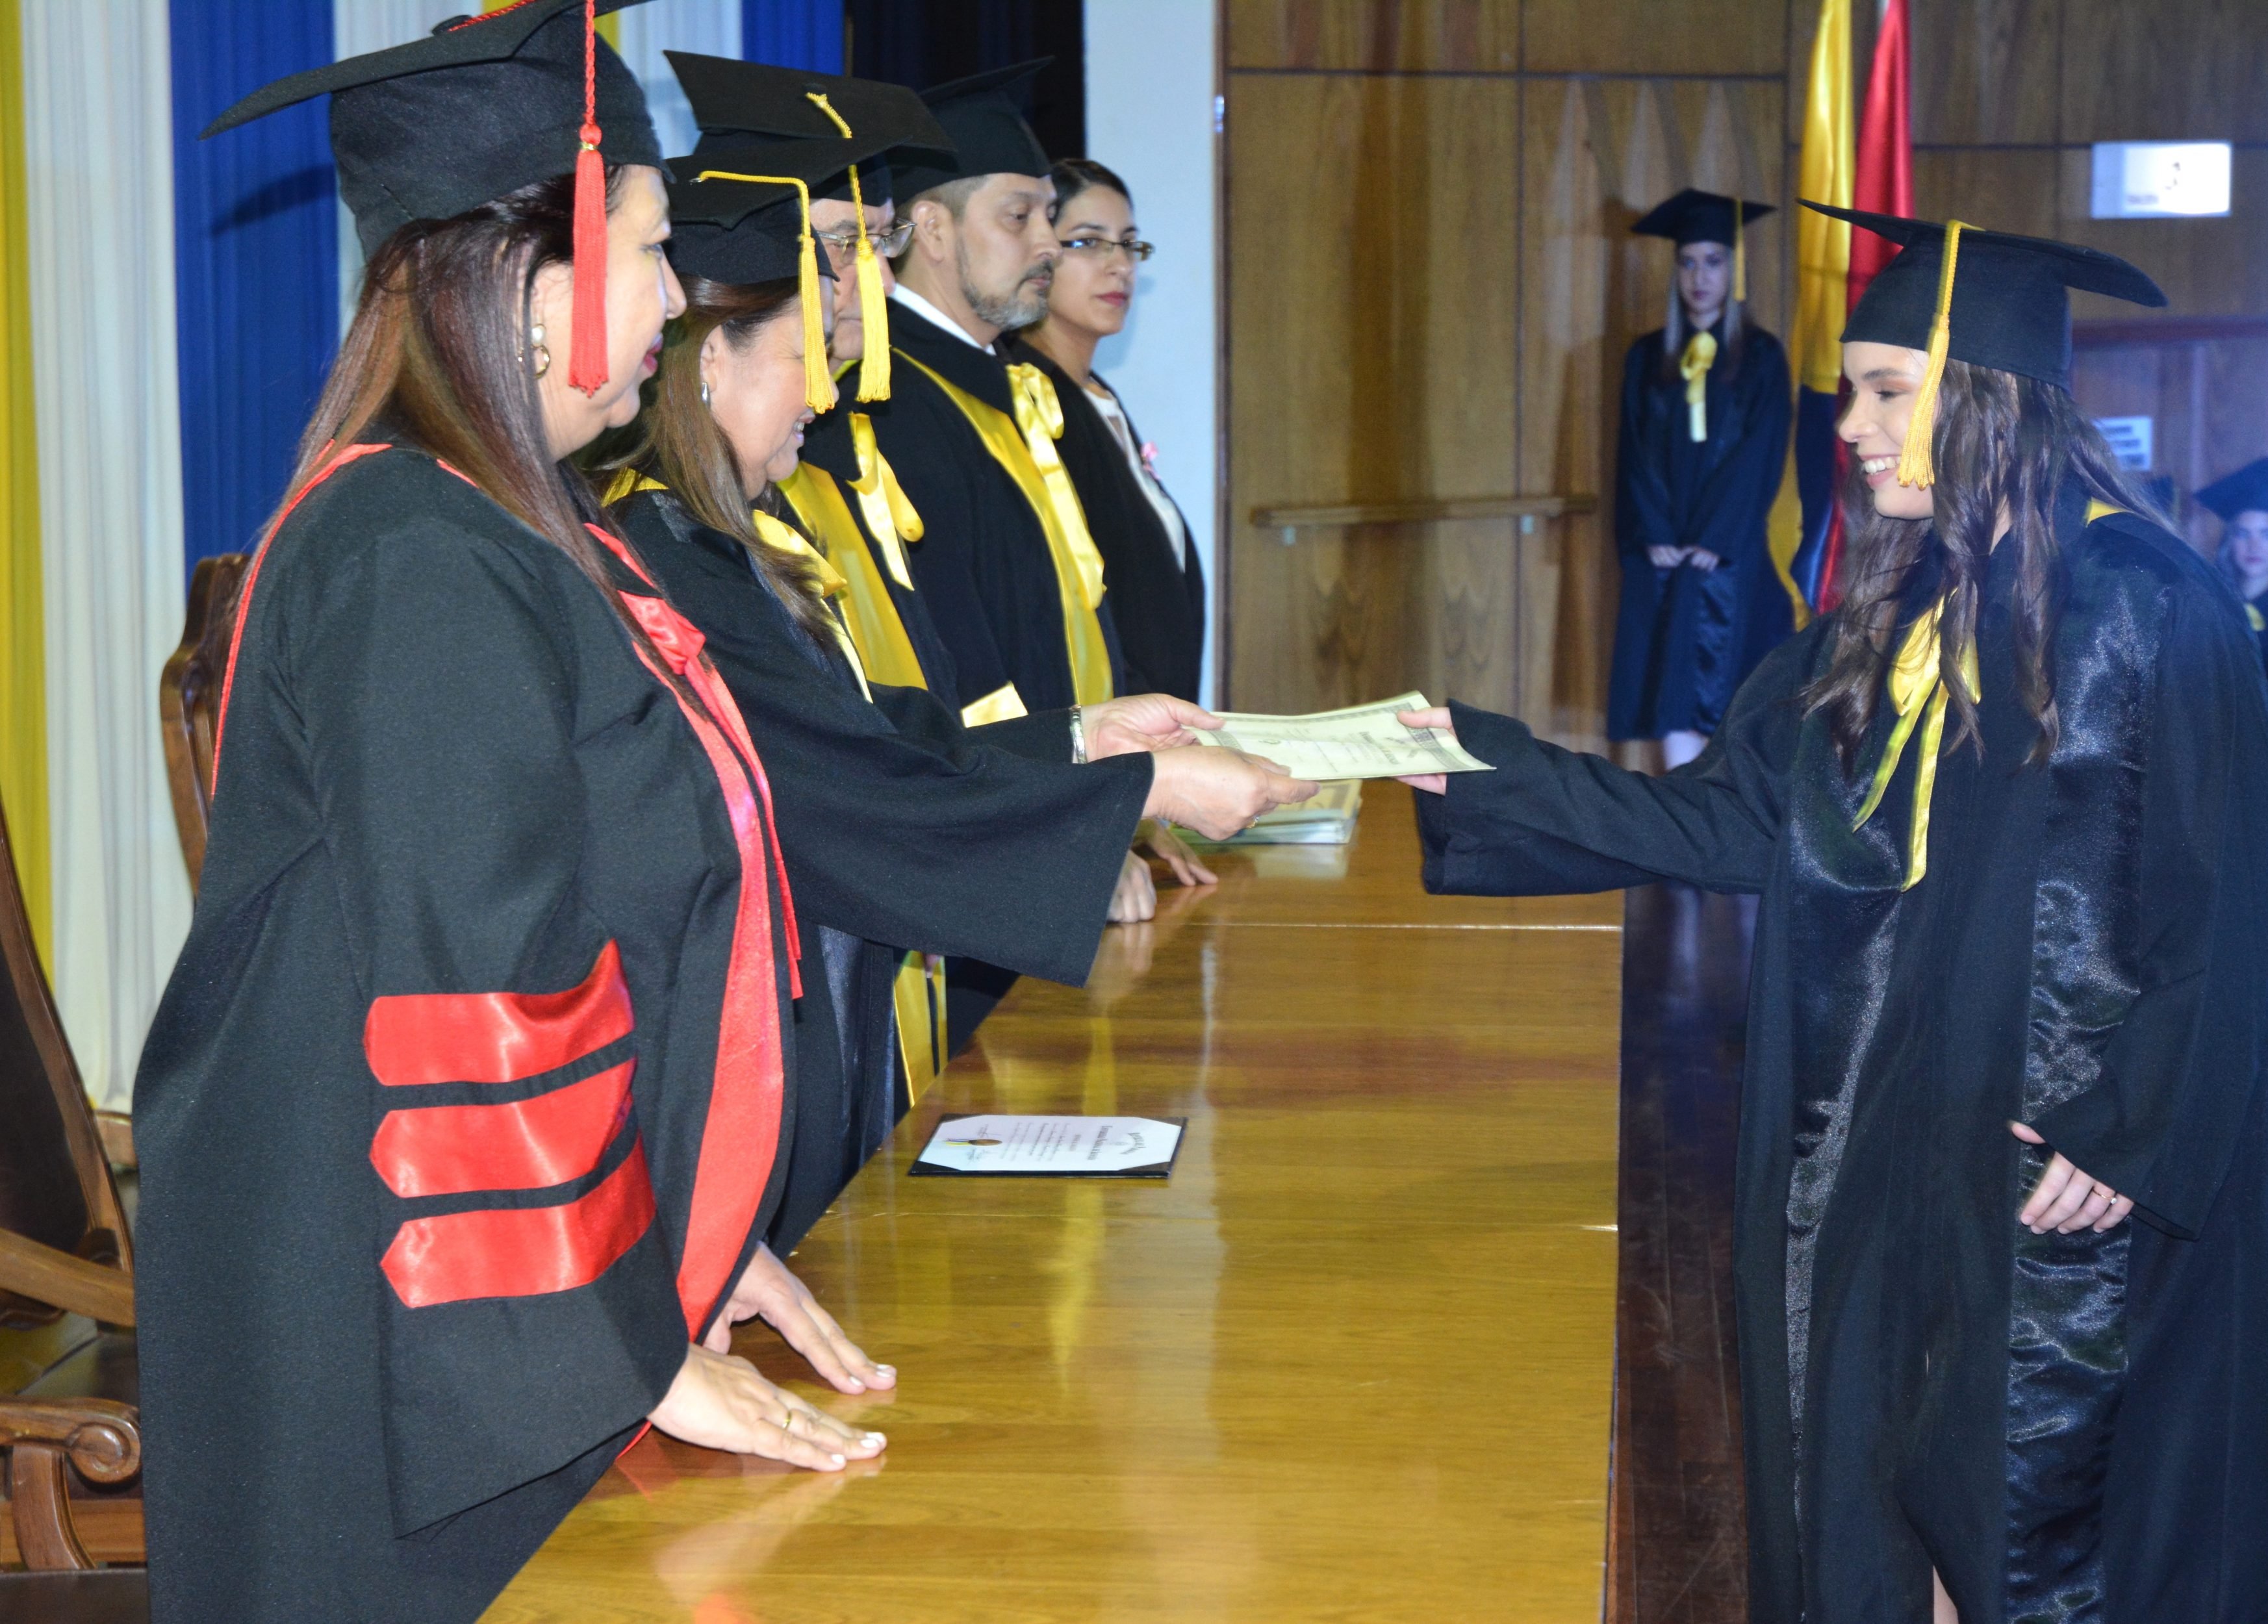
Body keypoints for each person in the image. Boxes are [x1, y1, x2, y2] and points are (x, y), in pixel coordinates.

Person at [1405, 209, 2268, 1623]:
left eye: (1884, 390)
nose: (1850, 425)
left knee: (2043, 1532)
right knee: (1876, 1484)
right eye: (1848, 390)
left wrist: (2131, 1128)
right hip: (1888, 1141)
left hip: (2061, 1178)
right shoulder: (1908, 603)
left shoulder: (2147, 605)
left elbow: (2229, 895)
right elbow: (1735, 819)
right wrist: (1467, 758)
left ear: (1981, 388)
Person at [138, 8, 887, 1618]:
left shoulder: (501, 532)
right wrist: (622, 1341)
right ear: (522, 277)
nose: (683, 296)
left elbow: (582, 924)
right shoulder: (414, 559)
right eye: (652, 243)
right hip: (384, 1338)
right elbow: (480, 1002)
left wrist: (676, 1226)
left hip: (461, 1298)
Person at [605, 139, 1310, 1245]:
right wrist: (1132, 789)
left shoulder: (723, 540)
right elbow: (845, 798)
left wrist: (1083, 735)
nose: (833, 385)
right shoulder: (662, 553)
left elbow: (877, 734)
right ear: (707, 361)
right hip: (731, 1081)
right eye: (804, 351)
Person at [865, 58, 1121, 724]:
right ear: (932, 229)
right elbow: (957, 662)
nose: (1048, 245)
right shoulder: (888, 403)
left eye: (1050, 216)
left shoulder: (1003, 385)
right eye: (1018, 218)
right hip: (1007, 796)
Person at [1008, 158, 1207, 704]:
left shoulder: (1096, 395)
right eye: (1089, 243)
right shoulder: (1028, 399)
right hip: (1112, 724)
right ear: (1040, 250)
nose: (1118, 265)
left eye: (1128, 244)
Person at [1611, 188, 1794, 768]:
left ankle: (1718, 832)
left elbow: (1759, 457)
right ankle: (1679, 827)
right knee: (1669, 698)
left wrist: (1715, 539)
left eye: (1713, 262)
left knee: (1729, 695)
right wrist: (1655, 534)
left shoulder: (1760, 358)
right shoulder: (1647, 359)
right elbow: (1634, 454)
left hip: (1726, 558)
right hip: (1663, 557)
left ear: (1733, 271)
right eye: (1688, 263)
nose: (1699, 277)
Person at [2195, 457, 2268, 668]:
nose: (2254, 546)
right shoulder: (2211, 600)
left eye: (2266, 535)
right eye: (2243, 534)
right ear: (2230, 541)